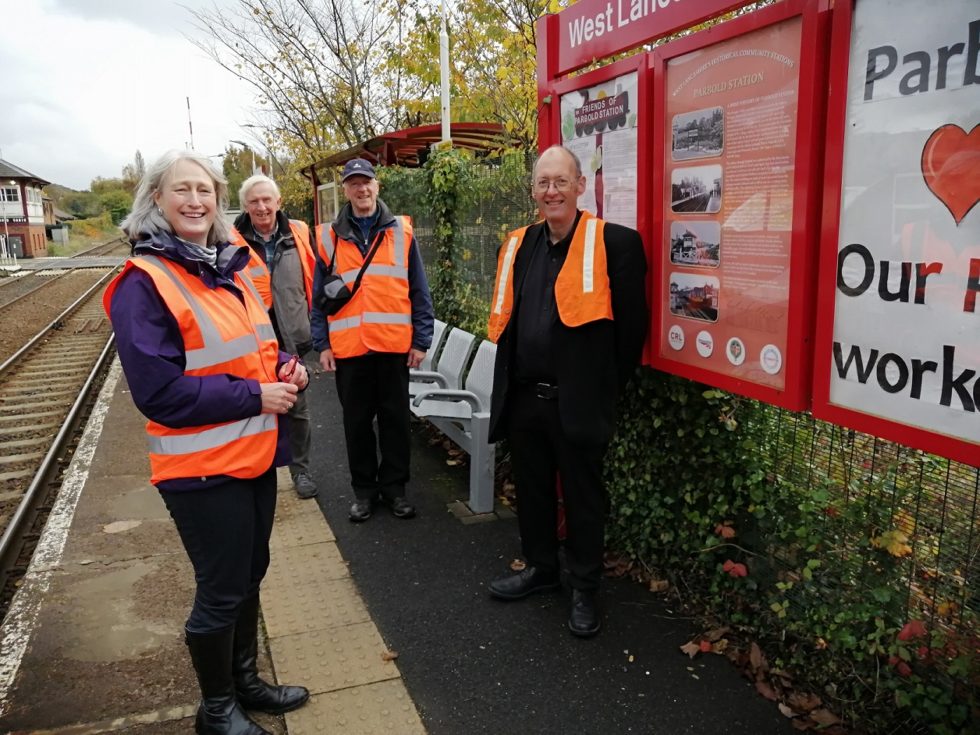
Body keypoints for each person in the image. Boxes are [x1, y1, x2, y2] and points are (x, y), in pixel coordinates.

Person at [104, 150, 310, 734]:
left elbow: (259, 348)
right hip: (200, 470)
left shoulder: (227, 269)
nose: (196, 201)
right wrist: (256, 398)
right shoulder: (143, 284)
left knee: (250, 572)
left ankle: (244, 683)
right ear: (156, 201)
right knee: (220, 590)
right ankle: (217, 711)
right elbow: (158, 392)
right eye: (182, 190)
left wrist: (287, 367)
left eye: (205, 190)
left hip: (253, 456)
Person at [485, 145, 648, 638]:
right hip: (525, 396)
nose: (551, 191)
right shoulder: (520, 244)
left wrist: (601, 389)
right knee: (532, 492)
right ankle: (540, 569)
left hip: (577, 400)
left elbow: (630, 333)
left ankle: (584, 587)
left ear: (581, 186)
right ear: (533, 190)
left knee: (583, 498)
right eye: (542, 183)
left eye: (561, 181)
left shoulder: (615, 243)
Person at [311, 158, 434, 523]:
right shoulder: (328, 238)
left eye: (366, 182)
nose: (361, 189)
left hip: (394, 347)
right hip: (349, 350)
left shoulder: (402, 233)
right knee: (357, 424)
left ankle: (395, 490)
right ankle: (364, 492)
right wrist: (323, 345)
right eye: (353, 184)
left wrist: (421, 340)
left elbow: (419, 291)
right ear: (345, 190)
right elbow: (318, 298)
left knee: (396, 423)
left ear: (377, 186)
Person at [231, 175, 319, 499]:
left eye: (267, 200)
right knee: (252, 405)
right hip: (248, 340)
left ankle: (302, 472)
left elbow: (314, 279)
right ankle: (255, 472)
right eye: (254, 201)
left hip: (291, 338)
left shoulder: (299, 232)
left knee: (297, 409)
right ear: (245, 206)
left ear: (278, 202)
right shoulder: (229, 239)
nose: (262, 206)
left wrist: (316, 329)